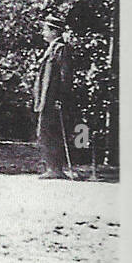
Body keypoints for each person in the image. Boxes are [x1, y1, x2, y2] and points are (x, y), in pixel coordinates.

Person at [32, 14, 74, 179]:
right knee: (44, 131)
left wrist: (61, 97)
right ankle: (52, 167)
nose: (43, 32)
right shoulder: (51, 48)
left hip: (53, 99)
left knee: (50, 132)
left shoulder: (61, 49)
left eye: (46, 29)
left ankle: (55, 169)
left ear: (55, 32)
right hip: (45, 99)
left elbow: (65, 76)